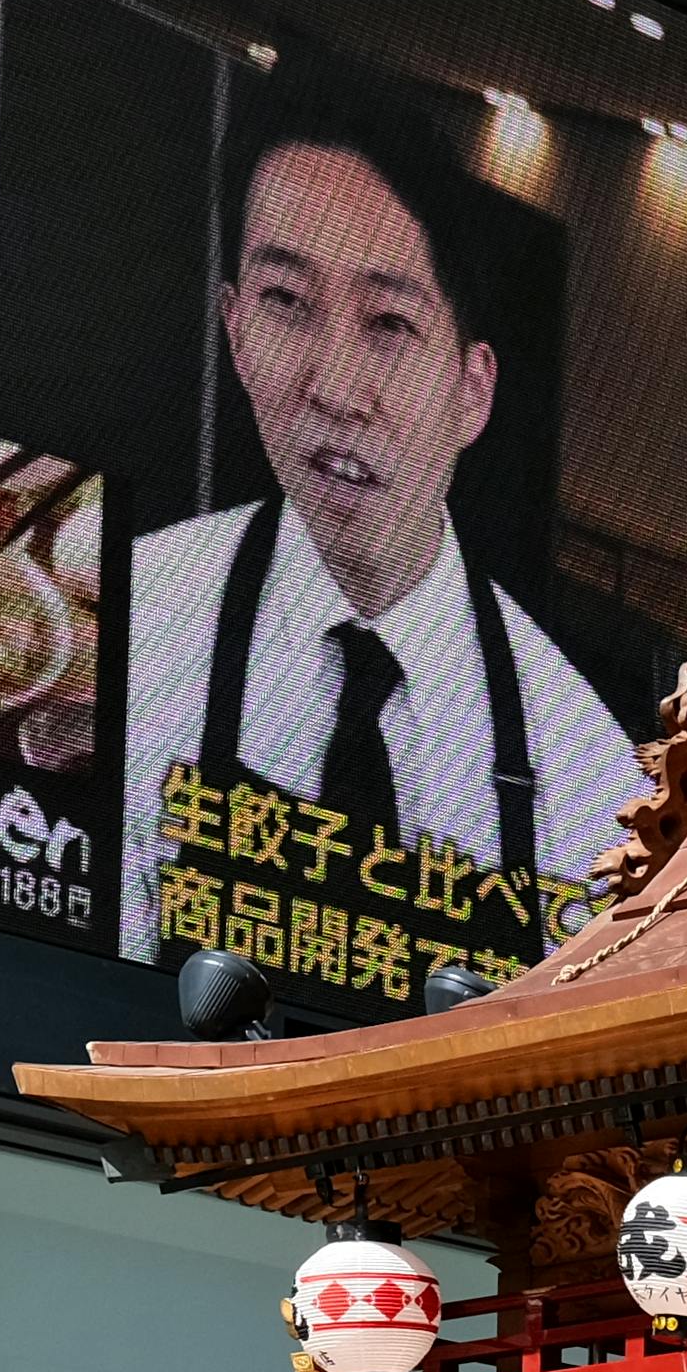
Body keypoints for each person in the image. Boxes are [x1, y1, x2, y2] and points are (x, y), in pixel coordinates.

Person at [118, 110, 640, 968]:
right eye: (287, 303)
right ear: (236, 329)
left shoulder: (587, 775)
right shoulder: (134, 626)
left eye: (389, 324)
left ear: (471, 393)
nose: (334, 388)